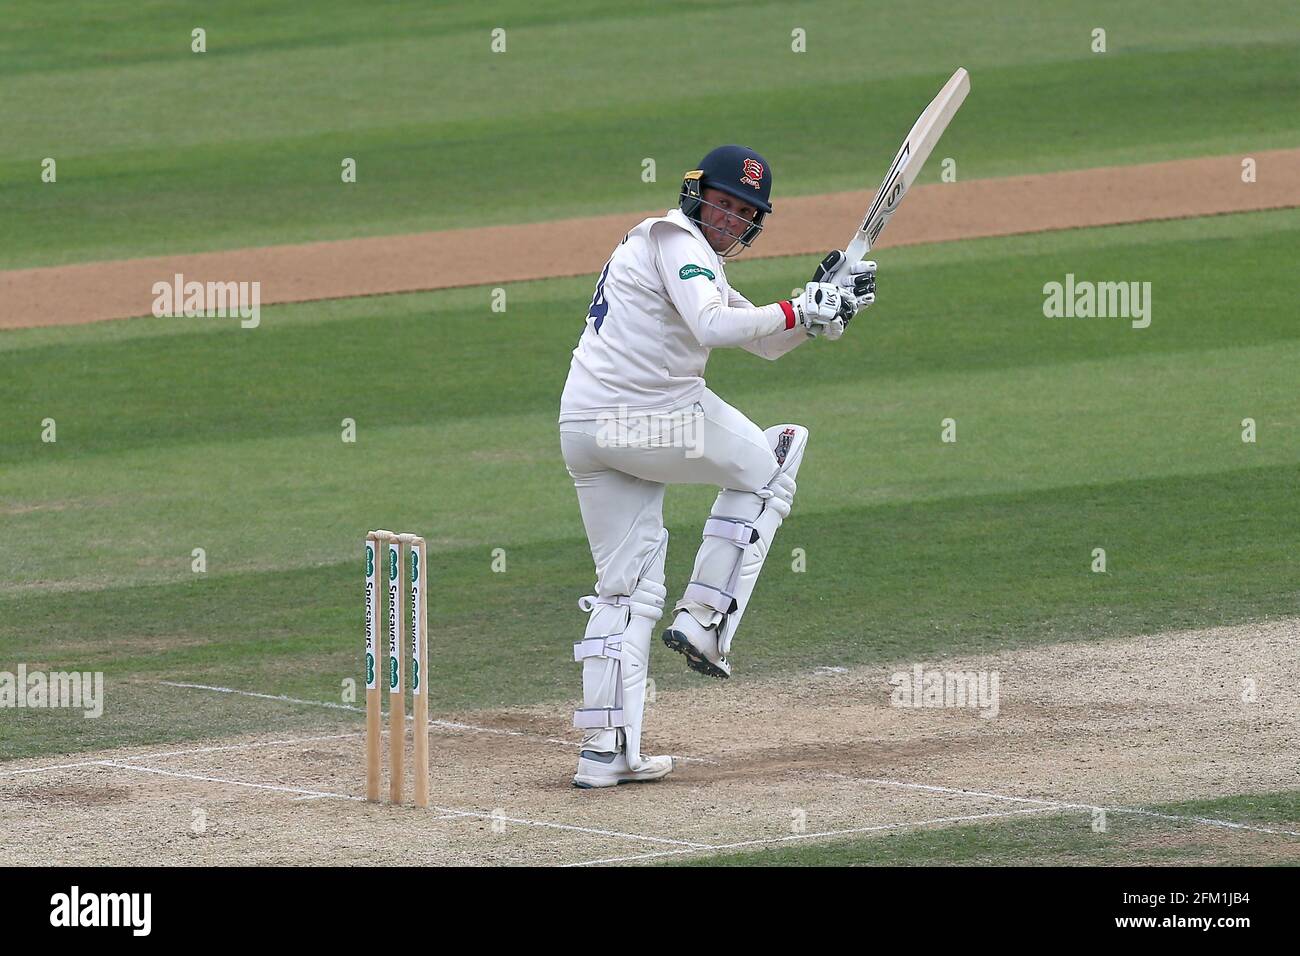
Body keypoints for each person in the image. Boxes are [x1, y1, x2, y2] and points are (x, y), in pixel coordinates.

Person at [557, 145, 877, 788]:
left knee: (627, 589)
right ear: (697, 194)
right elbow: (710, 326)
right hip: (651, 420)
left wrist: (819, 310)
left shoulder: (676, 251)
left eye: (744, 211)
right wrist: (800, 308)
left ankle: (605, 751)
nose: (731, 218)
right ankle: (704, 622)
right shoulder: (679, 240)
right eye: (725, 203)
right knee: (773, 459)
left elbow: (758, 339)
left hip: (586, 428)